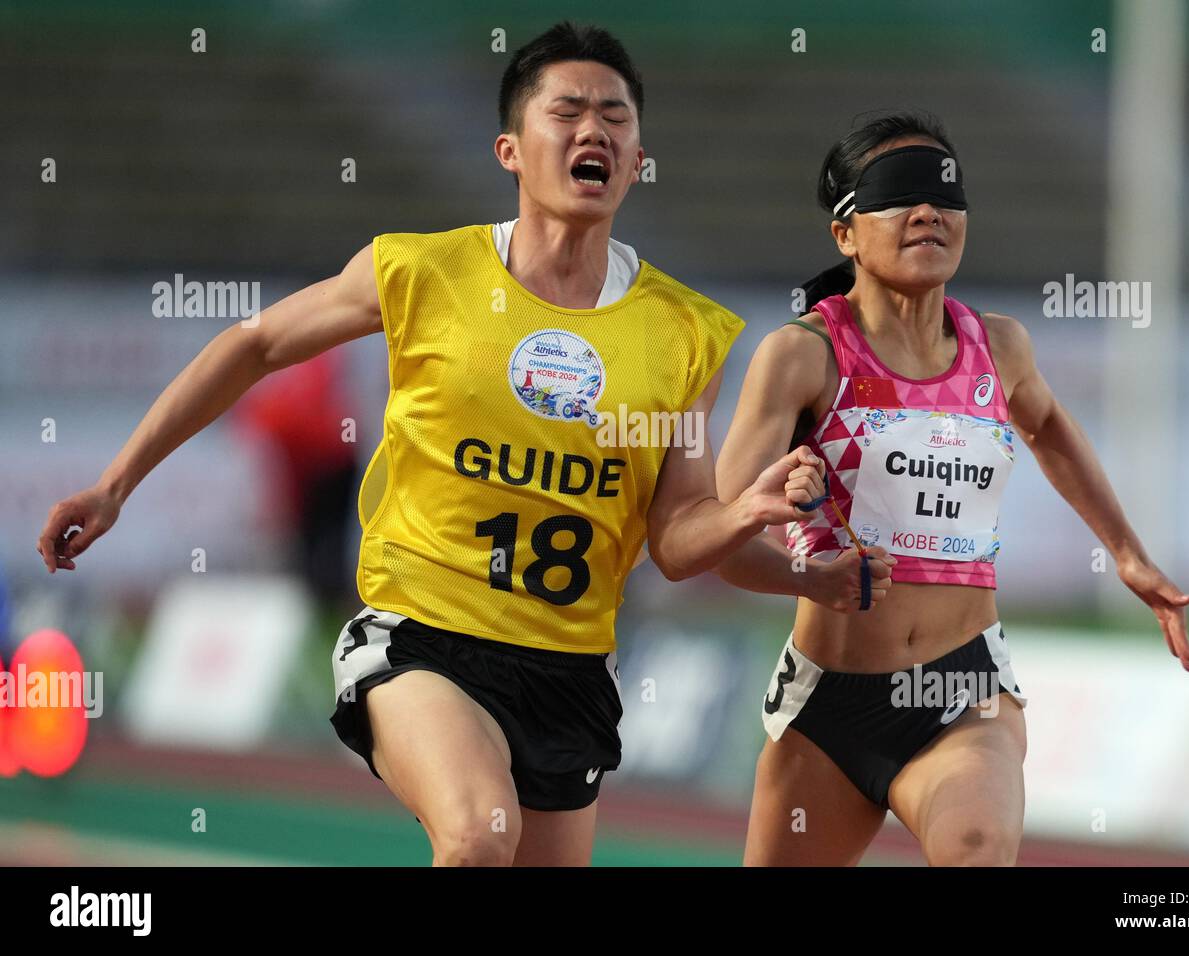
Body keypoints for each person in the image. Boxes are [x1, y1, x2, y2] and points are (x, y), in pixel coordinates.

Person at [34, 22, 851, 866]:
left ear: (638, 159)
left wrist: (744, 513)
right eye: (566, 112)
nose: (593, 131)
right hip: (421, 634)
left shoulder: (688, 333)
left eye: (615, 117)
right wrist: (116, 484)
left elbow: (677, 542)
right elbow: (256, 344)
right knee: (476, 836)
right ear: (510, 148)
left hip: (569, 671)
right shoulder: (422, 272)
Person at [712, 111, 1189, 866]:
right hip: (828, 701)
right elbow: (726, 541)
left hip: (962, 689)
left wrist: (1128, 555)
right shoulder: (802, 357)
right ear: (845, 233)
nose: (928, 210)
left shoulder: (998, 347)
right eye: (898, 193)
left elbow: (1051, 430)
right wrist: (806, 557)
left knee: (975, 845)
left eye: (945, 192)